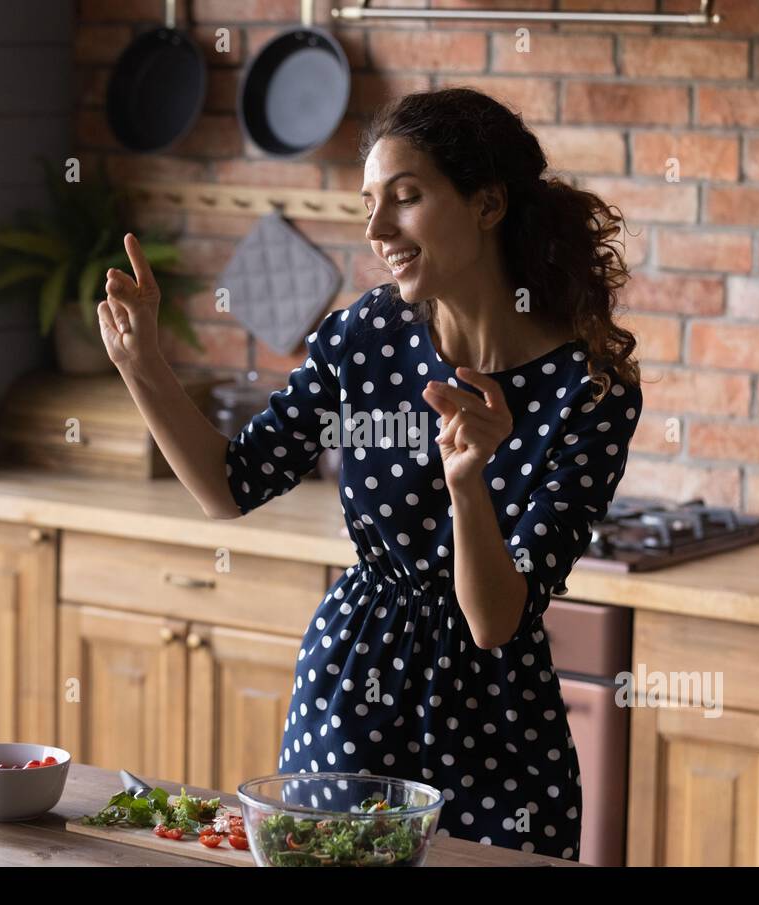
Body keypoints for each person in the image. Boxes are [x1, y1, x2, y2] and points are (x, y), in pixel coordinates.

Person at [98, 87, 642, 861]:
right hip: (356, 684)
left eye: (407, 198)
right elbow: (232, 484)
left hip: (498, 720)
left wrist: (467, 480)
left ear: (487, 205)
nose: (377, 228)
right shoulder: (368, 332)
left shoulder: (588, 392)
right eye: (369, 202)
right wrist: (143, 365)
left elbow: (495, 623)